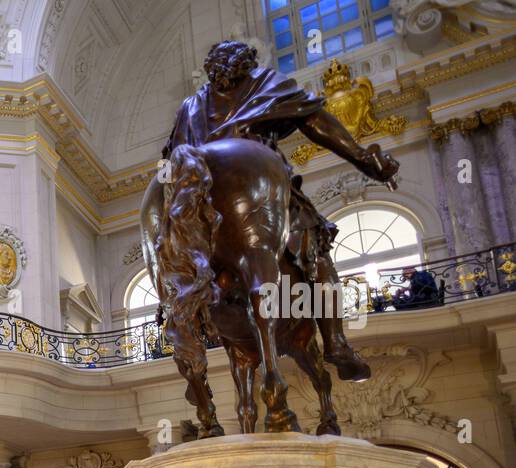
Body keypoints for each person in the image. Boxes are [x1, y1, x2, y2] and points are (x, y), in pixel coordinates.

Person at [162, 40, 399, 381]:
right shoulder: (263, 82)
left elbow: (170, 160)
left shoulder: (189, 106)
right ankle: (335, 342)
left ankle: (181, 306)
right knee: (316, 245)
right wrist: (364, 158)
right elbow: (314, 121)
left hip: (199, 197)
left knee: (176, 254)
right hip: (255, 186)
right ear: (245, 63)